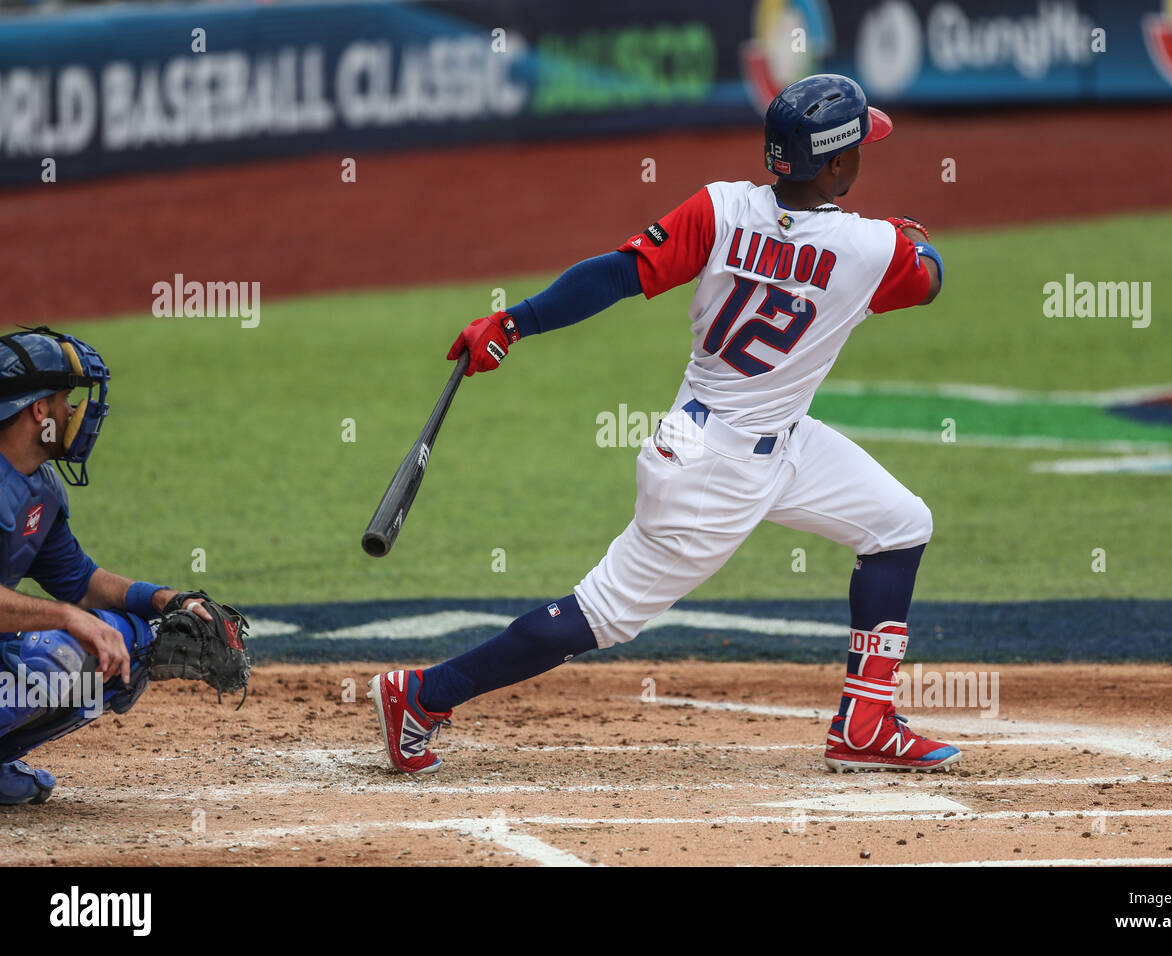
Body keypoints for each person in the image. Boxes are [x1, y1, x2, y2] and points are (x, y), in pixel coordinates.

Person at [369, 74, 959, 775]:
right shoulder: (869, 251)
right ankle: (424, 695)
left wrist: (512, 322)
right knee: (601, 615)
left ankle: (864, 722)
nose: (865, 155)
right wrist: (904, 237)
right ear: (833, 166)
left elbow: (615, 275)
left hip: (754, 440)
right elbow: (930, 277)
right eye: (858, 147)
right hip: (716, 476)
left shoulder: (720, 209)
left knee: (898, 523)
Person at [0, 326, 250, 804]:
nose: (75, 411)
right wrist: (68, 618)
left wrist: (167, 600)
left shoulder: (39, 487)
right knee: (65, 652)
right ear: (38, 411)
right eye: (64, 399)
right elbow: (70, 608)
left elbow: (80, 581)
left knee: (134, 637)